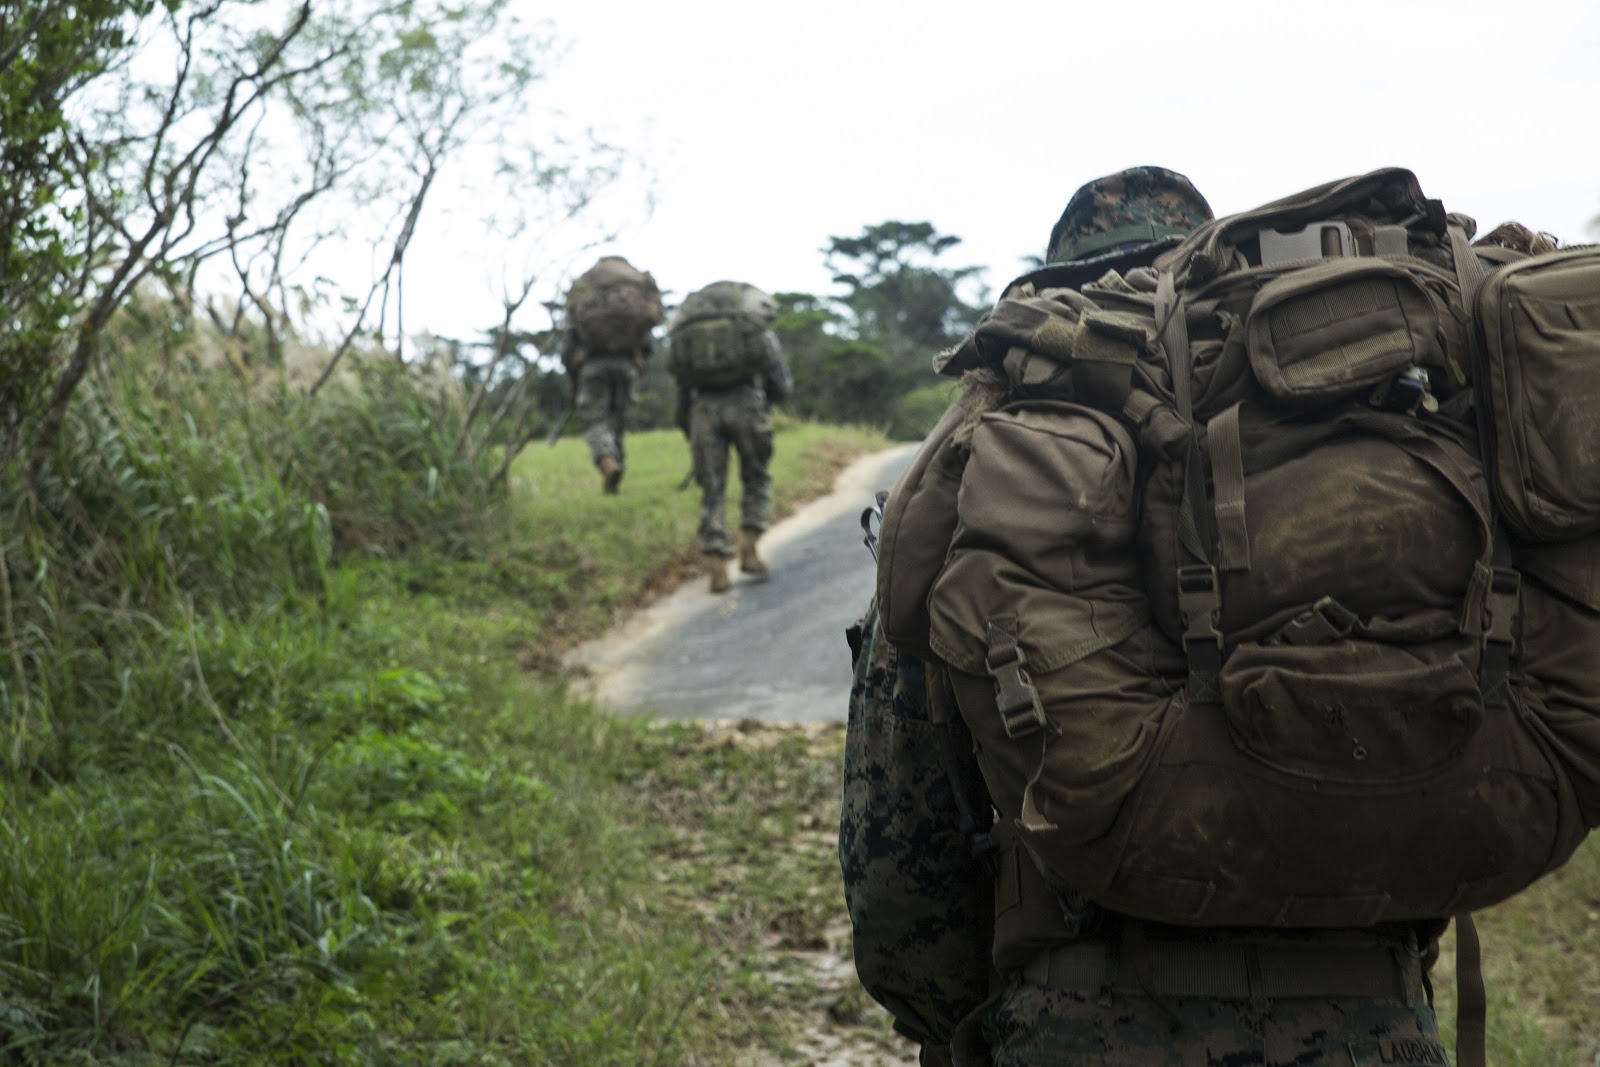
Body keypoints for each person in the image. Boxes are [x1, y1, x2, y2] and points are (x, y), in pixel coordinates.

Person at [838, 167, 1456, 1067]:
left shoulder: (980, 488)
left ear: (1058, 299)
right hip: (1380, 1033)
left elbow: (899, 876)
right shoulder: (1366, 460)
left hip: (1078, 1030)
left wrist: (979, 1019)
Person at [668, 282, 792, 593]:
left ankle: (717, 567)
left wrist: (686, 421)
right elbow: (779, 379)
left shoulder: (691, 329)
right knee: (756, 477)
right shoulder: (751, 326)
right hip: (747, 403)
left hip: (703, 408)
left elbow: (681, 382)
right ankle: (749, 547)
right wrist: (769, 401)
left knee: (712, 488)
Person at [562, 255, 663, 494]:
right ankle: (617, 471)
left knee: (595, 419)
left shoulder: (588, 288)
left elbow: (568, 342)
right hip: (628, 365)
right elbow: (647, 341)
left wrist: (572, 368)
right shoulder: (633, 290)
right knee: (618, 422)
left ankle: (607, 460)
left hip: (593, 364)